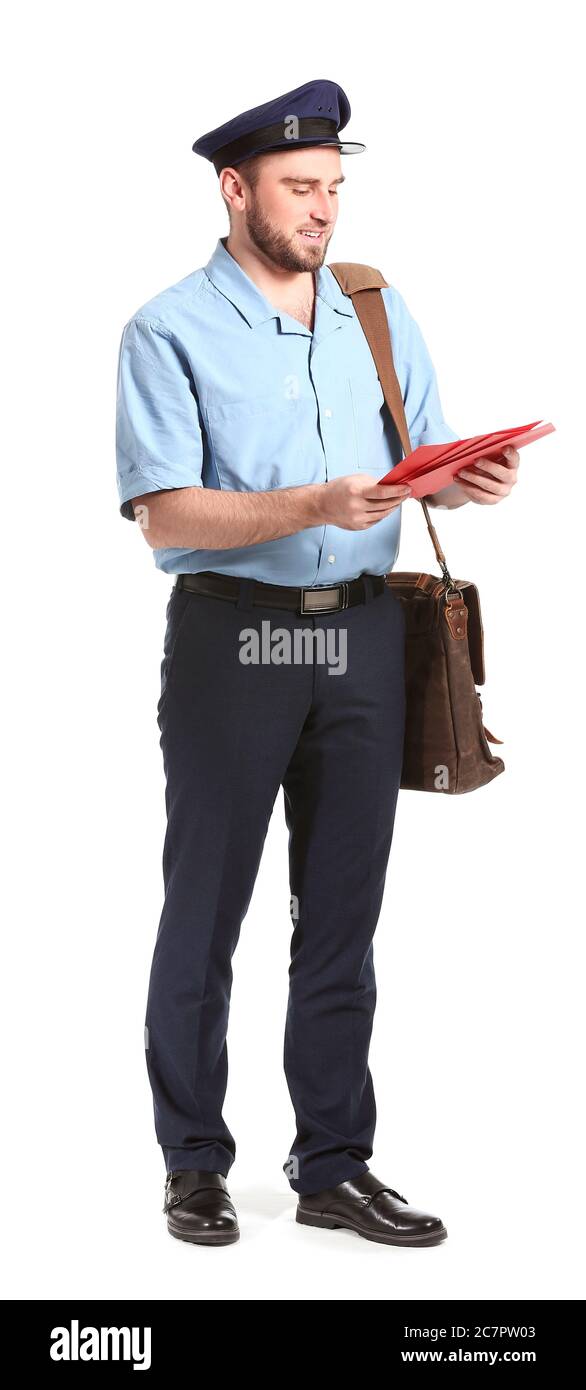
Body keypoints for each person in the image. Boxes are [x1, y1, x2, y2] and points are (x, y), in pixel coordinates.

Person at [115, 78, 520, 1248]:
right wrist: (311, 502)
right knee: (206, 910)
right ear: (234, 190)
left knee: (341, 915)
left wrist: (467, 478)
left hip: (363, 636)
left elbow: (421, 457)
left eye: (334, 187)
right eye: (299, 187)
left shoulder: (372, 308)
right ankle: (193, 1163)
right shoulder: (167, 328)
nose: (322, 209)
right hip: (233, 640)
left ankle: (333, 1164)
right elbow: (164, 514)